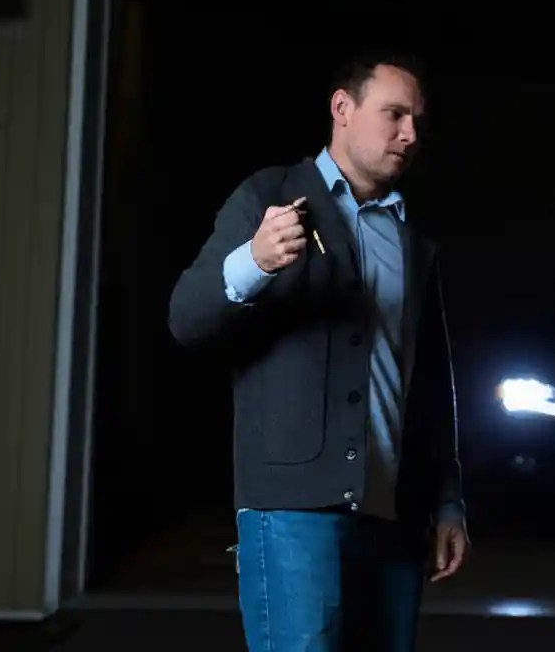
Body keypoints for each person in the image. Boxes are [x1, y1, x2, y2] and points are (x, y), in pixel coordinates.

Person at [168, 50, 469, 651]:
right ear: (342, 108)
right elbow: (185, 318)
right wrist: (252, 261)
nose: (410, 135)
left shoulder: (411, 240)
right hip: (293, 510)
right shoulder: (269, 195)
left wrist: (448, 502)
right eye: (394, 115)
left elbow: (431, 382)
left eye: (417, 121)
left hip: (395, 514)